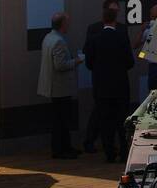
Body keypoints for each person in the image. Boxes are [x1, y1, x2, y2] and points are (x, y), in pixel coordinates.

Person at [85, 9, 134, 164]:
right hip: (120, 87)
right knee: (122, 122)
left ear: (103, 20)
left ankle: (109, 153)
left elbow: (89, 63)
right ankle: (124, 153)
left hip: (102, 88)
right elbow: (130, 62)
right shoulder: (121, 38)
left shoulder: (94, 39)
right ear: (115, 20)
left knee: (106, 122)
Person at [36, 11, 83, 160]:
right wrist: (77, 61)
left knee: (59, 120)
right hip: (60, 88)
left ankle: (64, 148)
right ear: (63, 24)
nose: (69, 25)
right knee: (62, 121)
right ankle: (61, 150)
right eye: (67, 22)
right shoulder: (59, 41)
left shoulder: (48, 38)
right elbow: (60, 65)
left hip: (53, 87)